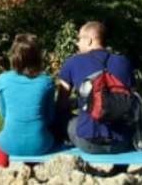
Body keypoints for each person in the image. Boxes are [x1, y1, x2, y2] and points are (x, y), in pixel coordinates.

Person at [56, 20, 135, 154]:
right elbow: (132, 99)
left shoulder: (73, 62)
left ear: (90, 40)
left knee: (59, 117)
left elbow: (61, 105)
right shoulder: (124, 62)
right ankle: (119, 169)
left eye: (79, 39)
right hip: (122, 142)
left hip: (89, 142)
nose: (77, 43)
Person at [0, 34, 57, 161]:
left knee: (3, 138)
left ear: (14, 56)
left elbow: (3, 113)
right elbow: (50, 118)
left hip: (9, 145)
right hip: (41, 145)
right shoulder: (46, 82)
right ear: (38, 57)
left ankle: (0, 166)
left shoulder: (2, 80)